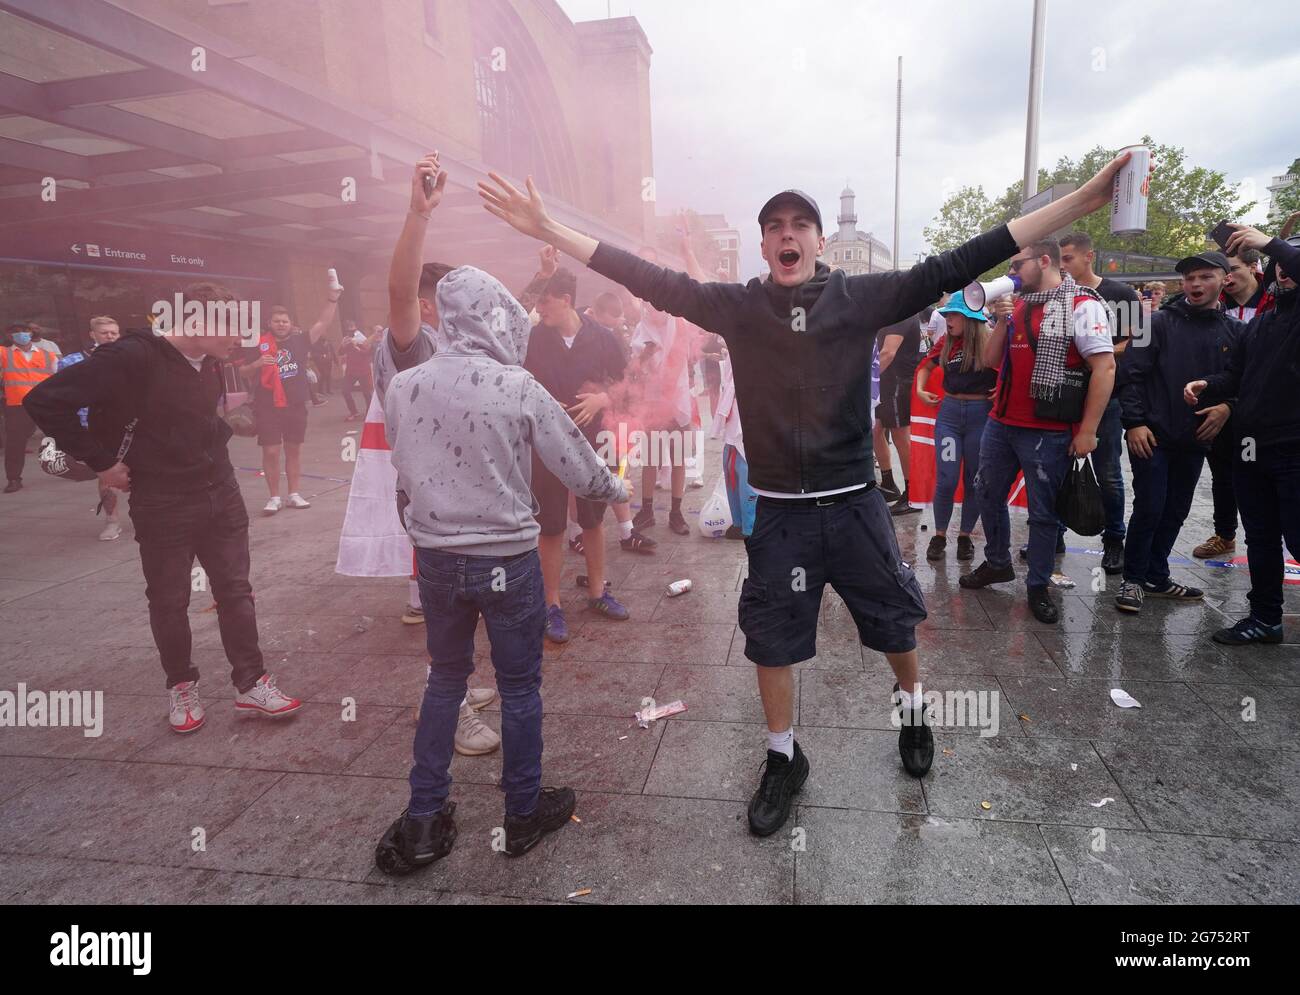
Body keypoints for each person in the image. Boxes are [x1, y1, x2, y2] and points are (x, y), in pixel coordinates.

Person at [479, 148, 1139, 836]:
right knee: (770, 638)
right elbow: (645, 277)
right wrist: (549, 227)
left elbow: (963, 258)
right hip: (779, 514)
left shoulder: (858, 299)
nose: (787, 234)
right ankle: (782, 755)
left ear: (820, 241)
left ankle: (913, 711)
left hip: (854, 501)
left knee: (894, 621)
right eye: (774, 226)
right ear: (764, 244)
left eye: (800, 224)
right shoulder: (736, 307)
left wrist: (1082, 201)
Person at [374, 159, 630, 873]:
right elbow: (577, 464)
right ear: (494, 319)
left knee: (445, 680)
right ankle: (521, 812)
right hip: (507, 562)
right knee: (518, 686)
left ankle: (425, 816)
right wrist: (618, 486)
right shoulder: (516, 384)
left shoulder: (405, 382)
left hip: (437, 561)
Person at [25, 282, 301, 733]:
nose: (239, 342)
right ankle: (181, 686)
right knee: (170, 599)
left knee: (235, 590)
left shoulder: (212, 361)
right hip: (162, 500)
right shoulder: (133, 356)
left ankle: (251, 684)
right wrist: (102, 463)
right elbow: (44, 400)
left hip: (221, 491)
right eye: (231, 331)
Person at [959, 237, 1117, 624]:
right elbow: (993, 361)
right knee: (986, 492)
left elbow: (1105, 368)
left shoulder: (1082, 306)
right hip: (1002, 424)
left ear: (1043, 260)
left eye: (1017, 266)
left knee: (1044, 514)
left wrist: (1088, 431)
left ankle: (1038, 584)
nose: (1011, 274)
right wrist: (999, 317)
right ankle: (997, 562)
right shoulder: (1018, 309)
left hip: (1050, 430)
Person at [1186, 227, 1300, 645]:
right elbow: (1237, 375)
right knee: (1262, 537)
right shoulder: (1262, 324)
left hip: (1294, 447)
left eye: (1290, 265)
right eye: (1278, 268)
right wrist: (1207, 384)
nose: (1284, 272)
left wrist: (1269, 243)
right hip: (1252, 446)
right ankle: (1266, 618)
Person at [1114, 250, 1239, 614]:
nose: (1196, 284)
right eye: (1190, 278)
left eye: (1205, 277)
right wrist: (1134, 423)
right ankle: (1133, 580)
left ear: (1224, 280)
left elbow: (1241, 382)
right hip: (1152, 436)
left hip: (1197, 438)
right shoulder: (1156, 323)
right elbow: (1130, 376)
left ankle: (1156, 575)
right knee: (1150, 506)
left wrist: (1229, 407)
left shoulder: (1235, 331)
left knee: (1177, 509)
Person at [524, 265, 632, 640]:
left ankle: (598, 592)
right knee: (551, 524)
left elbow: (627, 383)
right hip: (546, 442)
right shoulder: (534, 338)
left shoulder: (603, 338)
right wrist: (541, 273)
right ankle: (551, 604)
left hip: (593, 440)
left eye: (546, 300)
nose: (540, 308)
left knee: (591, 518)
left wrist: (603, 397)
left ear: (566, 300)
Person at [1058, 231, 1141, 573]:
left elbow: (1138, 344)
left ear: (1088, 256)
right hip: (1063, 398)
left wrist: (1091, 349)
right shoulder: (1057, 296)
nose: (1063, 266)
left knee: (1108, 473)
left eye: (1068, 258)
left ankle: (1114, 540)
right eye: (1059, 259)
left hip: (1107, 397)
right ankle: (1053, 535)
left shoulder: (1120, 295)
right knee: (1056, 470)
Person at [1192, 247, 1277, 561]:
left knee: (1257, 472)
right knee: (1223, 474)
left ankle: (1269, 533)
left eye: (1234, 269)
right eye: (1222, 271)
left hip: (1264, 411)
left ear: (1254, 267)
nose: (1227, 277)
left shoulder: (1276, 303)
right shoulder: (1215, 306)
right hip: (1219, 406)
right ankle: (1225, 535)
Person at [242, 282, 340, 514]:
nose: (281, 324)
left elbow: (323, 323)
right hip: (267, 405)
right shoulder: (259, 343)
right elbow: (242, 372)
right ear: (270, 323)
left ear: (290, 323)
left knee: (293, 449)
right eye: (277, 321)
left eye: (285, 321)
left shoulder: (299, 340)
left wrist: (332, 299)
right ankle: (274, 497)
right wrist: (257, 364)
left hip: (295, 403)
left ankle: (294, 493)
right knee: (271, 451)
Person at [915, 290, 997, 561]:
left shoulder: (990, 341)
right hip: (949, 416)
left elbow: (1010, 369)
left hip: (979, 416)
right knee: (947, 478)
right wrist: (920, 390)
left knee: (974, 479)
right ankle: (939, 536)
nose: (947, 319)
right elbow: (925, 366)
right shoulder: (944, 341)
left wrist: (1002, 388)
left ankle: (964, 537)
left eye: (953, 315)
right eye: (946, 314)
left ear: (969, 319)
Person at [59, 316, 125, 539]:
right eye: (105, 332)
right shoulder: (72, 362)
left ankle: (149, 516)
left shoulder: (130, 358)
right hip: (92, 427)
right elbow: (62, 398)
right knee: (106, 475)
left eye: (114, 332)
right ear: (92, 335)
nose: (110, 336)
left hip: (129, 425)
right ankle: (112, 520)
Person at [874, 312, 925, 514]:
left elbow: (888, 353)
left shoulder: (901, 314)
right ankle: (888, 484)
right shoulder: (889, 314)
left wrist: (866, 380)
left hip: (898, 382)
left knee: (900, 435)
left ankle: (914, 494)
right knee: (876, 430)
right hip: (887, 382)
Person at [2, 323, 57, 493]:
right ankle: (13, 479)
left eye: (24, 331)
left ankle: (79, 469)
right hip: (18, 406)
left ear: (31, 333)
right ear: (10, 336)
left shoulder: (48, 355)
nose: (21, 335)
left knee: (62, 437)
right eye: (16, 332)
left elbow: (58, 378)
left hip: (44, 404)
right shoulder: (3, 353)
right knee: (15, 444)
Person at [338, 329, 375, 422]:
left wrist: (357, 347)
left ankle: (369, 412)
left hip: (363, 372)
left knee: (366, 393)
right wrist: (342, 345)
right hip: (351, 372)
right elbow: (340, 352)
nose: (352, 337)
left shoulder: (364, 343)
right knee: (345, 391)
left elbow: (368, 353)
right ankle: (354, 412)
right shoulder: (349, 344)